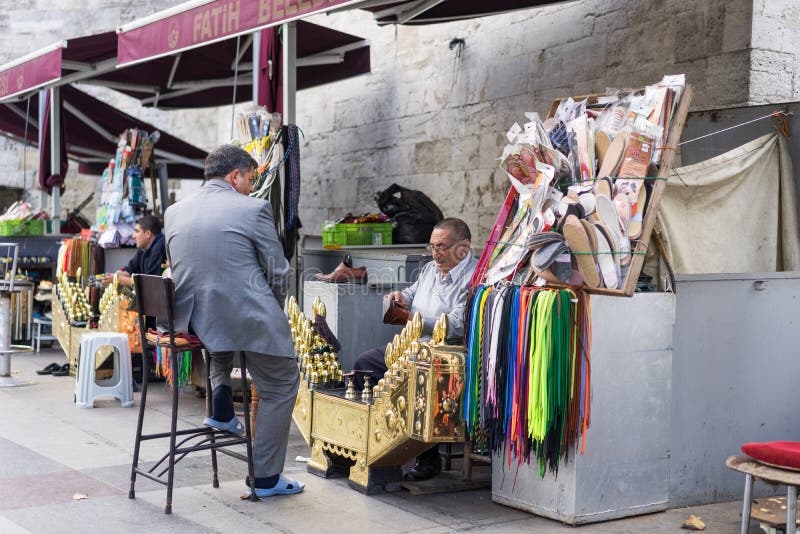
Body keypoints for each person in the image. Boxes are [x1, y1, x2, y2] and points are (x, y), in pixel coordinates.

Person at [164, 145, 302, 498]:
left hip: (190, 322)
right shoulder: (254, 209)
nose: (252, 187)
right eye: (250, 179)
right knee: (281, 383)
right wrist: (276, 309)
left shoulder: (174, 212)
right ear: (234, 176)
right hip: (242, 317)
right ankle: (266, 478)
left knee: (218, 324)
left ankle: (222, 402)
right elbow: (278, 272)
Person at [353, 217, 477, 481]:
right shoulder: (431, 269)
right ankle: (385, 443)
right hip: (412, 349)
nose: (436, 253)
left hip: (445, 358)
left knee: (417, 381)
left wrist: (411, 319)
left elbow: (454, 325)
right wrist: (401, 298)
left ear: (463, 248)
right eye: (432, 247)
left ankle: (426, 455)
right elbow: (411, 293)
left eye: (442, 247)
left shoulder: (474, 279)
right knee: (365, 366)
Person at [102, 214, 166, 287]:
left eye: (137, 231)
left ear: (148, 234)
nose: (133, 236)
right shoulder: (143, 248)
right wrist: (111, 276)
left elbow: (149, 283)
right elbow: (130, 270)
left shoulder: (159, 248)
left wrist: (118, 278)